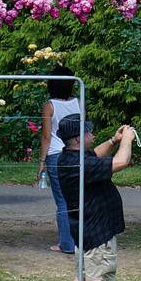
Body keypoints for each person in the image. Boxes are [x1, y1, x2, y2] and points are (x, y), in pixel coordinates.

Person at [55, 114, 135, 281]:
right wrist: (127, 140)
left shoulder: (70, 157)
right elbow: (120, 162)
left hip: (84, 227)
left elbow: (96, 155)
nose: (93, 135)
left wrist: (113, 140)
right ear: (79, 139)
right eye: (88, 132)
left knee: (81, 278)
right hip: (96, 228)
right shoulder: (80, 163)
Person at [40, 79, 82, 254]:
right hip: (75, 153)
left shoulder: (49, 106)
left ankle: (66, 243)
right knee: (78, 198)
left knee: (62, 201)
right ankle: (81, 241)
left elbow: (46, 137)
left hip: (56, 154)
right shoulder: (78, 102)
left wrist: (41, 161)